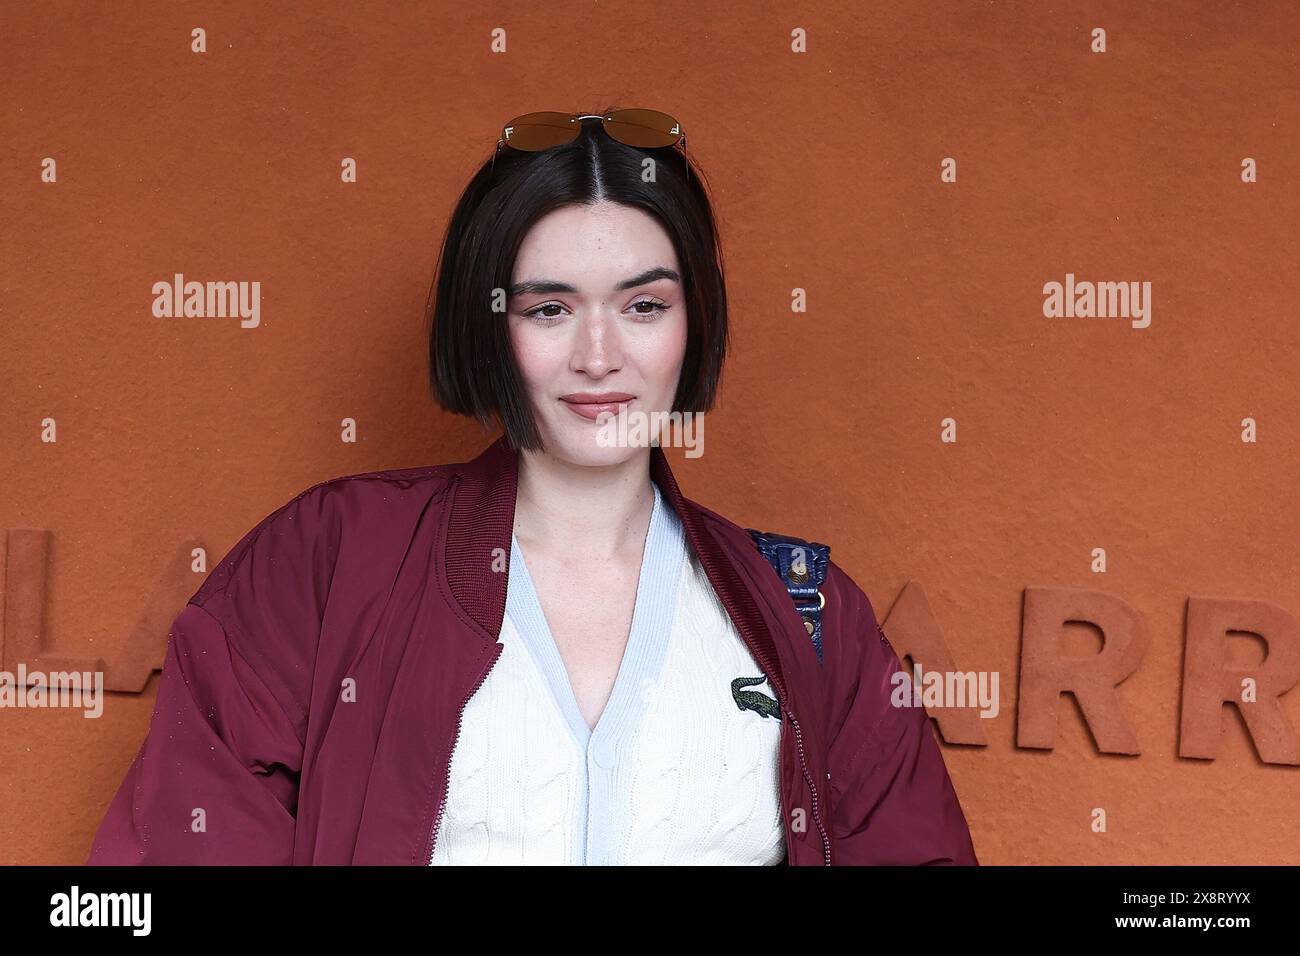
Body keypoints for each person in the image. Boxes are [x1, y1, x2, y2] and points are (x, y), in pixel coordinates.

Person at [86, 108, 977, 865]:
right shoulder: (326, 560)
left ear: (692, 323)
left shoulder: (811, 613)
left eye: (643, 305)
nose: (599, 357)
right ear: (489, 323)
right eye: (550, 308)